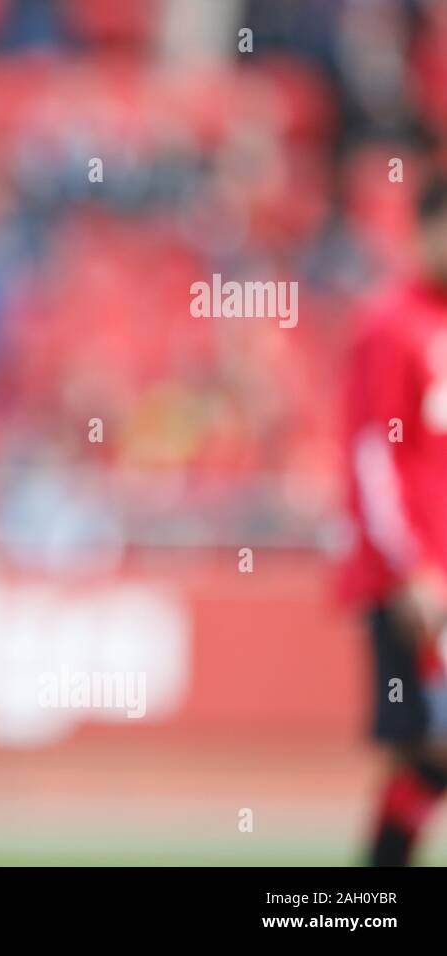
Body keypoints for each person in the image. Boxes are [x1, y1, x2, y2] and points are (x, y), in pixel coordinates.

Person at [341, 172, 447, 867]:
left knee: (433, 756)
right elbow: (376, 455)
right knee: (428, 749)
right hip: (411, 581)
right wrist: (412, 568)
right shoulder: (393, 323)